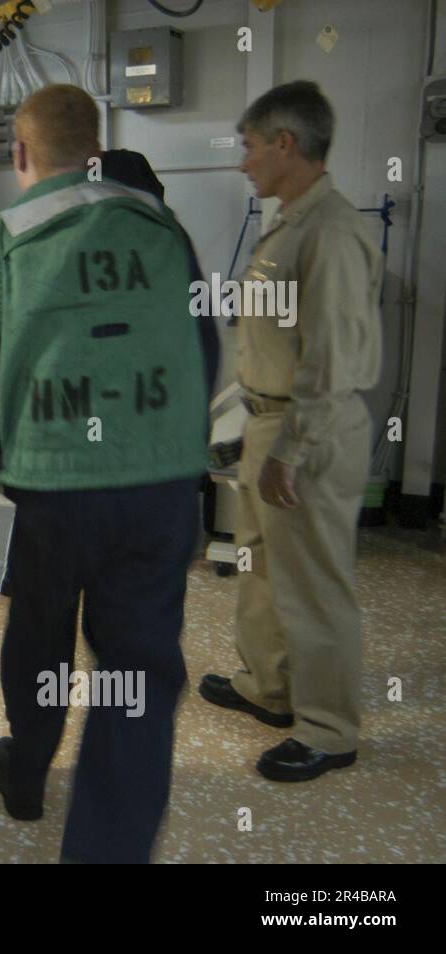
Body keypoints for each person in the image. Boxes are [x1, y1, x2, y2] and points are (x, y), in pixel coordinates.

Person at [0, 84, 214, 863]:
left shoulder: (0, 244)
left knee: (38, 637)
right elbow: (201, 354)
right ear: (96, 151)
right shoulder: (164, 229)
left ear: (22, 153)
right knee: (138, 678)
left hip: (47, 489)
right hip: (156, 488)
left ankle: (28, 770)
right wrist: (186, 477)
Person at [200, 80, 382, 783]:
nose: (243, 162)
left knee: (313, 584)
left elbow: (331, 356)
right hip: (268, 420)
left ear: (285, 143)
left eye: (249, 147)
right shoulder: (290, 223)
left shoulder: (331, 230)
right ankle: (269, 688)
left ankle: (331, 729)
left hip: (309, 430)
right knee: (260, 566)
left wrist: (293, 451)